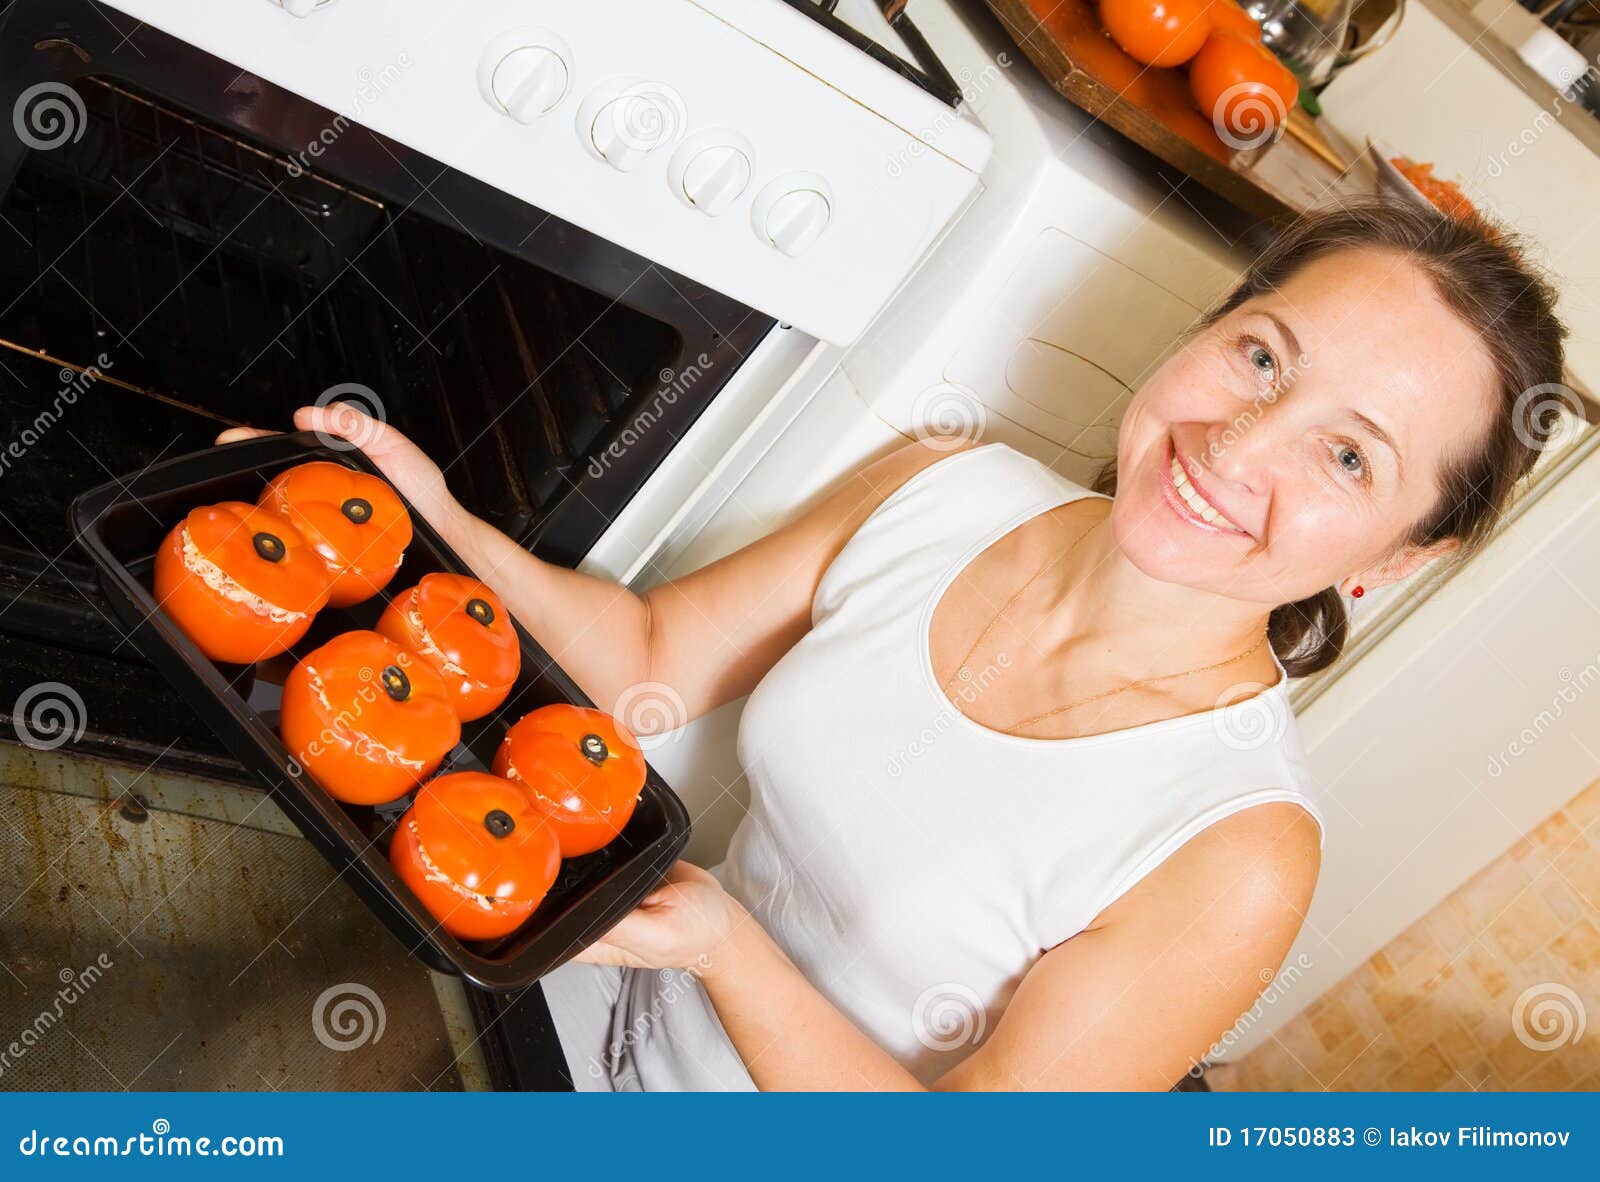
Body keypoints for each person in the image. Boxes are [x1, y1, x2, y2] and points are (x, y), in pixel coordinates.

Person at [221, 198, 1566, 1090]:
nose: (1239, 443)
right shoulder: (946, 486)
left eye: (1345, 454)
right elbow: (646, 659)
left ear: (1398, 555)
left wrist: (723, 949)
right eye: (1264, 356)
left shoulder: (1236, 848)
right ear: (1208, 328)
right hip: (558, 1013)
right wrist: (430, 520)